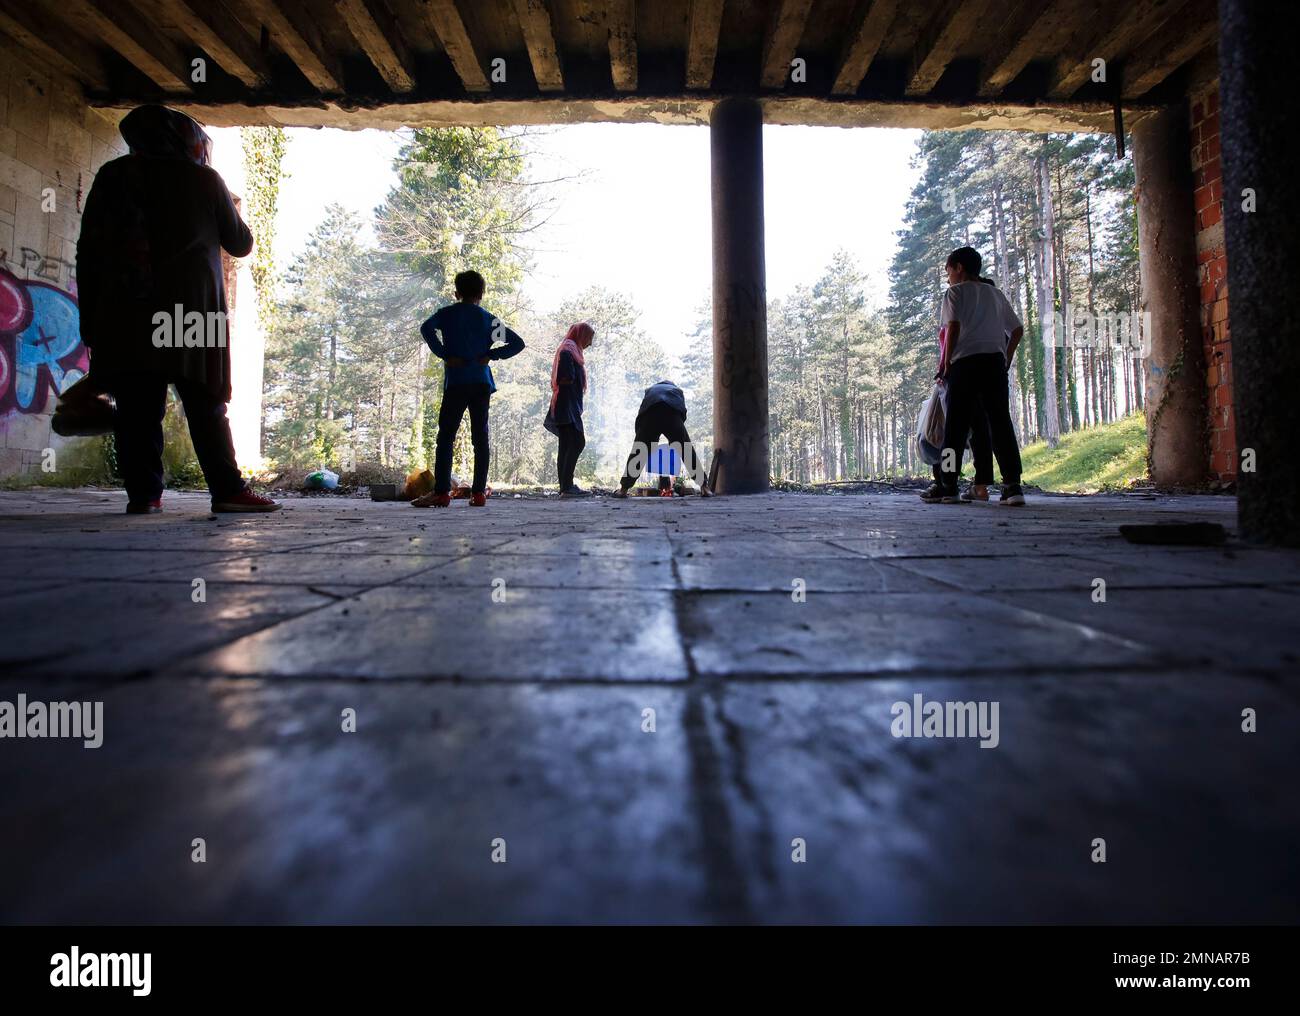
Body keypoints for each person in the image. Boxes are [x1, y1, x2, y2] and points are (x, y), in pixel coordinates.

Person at [76, 104, 278, 514]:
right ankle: (227, 490)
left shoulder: (113, 176)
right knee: (205, 403)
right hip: (191, 311)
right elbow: (241, 243)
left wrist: (92, 321)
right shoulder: (204, 180)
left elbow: (90, 249)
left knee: (137, 406)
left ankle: (145, 496)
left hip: (129, 308)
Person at [414, 270, 525, 508]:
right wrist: (491, 355)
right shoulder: (487, 320)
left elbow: (426, 328)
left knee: (446, 436)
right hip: (480, 383)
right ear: (482, 294)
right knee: (480, 438)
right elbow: (517, 343)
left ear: (457, 293)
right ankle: (478, 494)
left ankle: (442, 493)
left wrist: (444, 354)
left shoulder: (447, 315)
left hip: (456, 382)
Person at [933, 247, 1025, 505]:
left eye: (948, 270)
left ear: (959, 267)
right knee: (1000, 424)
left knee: (955, 429)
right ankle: (1012, 485)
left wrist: (948, 362)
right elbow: (1017, 329)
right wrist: (1005, 358)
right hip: (994, 365)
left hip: (964, 365)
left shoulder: (955, 292)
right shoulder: (995, 294)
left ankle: (948, 485)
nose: (948, 276)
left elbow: (953, 327)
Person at [920, 278, 999, 503]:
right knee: (981, 434)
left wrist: (944, 368)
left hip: (958, 376)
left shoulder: (960, 311)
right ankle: (981, 485)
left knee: (946, 433)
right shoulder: (991, 321)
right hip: (986, 379)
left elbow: (948, 343)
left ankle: (947, 483)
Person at [612, 380, 712, 498]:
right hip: (671, 415)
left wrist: (642, 437)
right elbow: (682, 413)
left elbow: (642, 413)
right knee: (686, 450)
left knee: (639, 452)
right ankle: (704, 487)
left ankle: (623, 489)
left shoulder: (650, 391)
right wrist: (678, 435)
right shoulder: (677, 391)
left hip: (650, 415)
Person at [543, 322, 594, 497]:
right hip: (566, 403)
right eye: (589, 338)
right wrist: (570, 378)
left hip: (569, 403)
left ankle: (566, 487)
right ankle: (567, 486)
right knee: (577, 441)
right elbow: (565, 377)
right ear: (580, 335)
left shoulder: (572, 349)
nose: (590, 343)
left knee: (566, 444)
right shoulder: (568, 349)